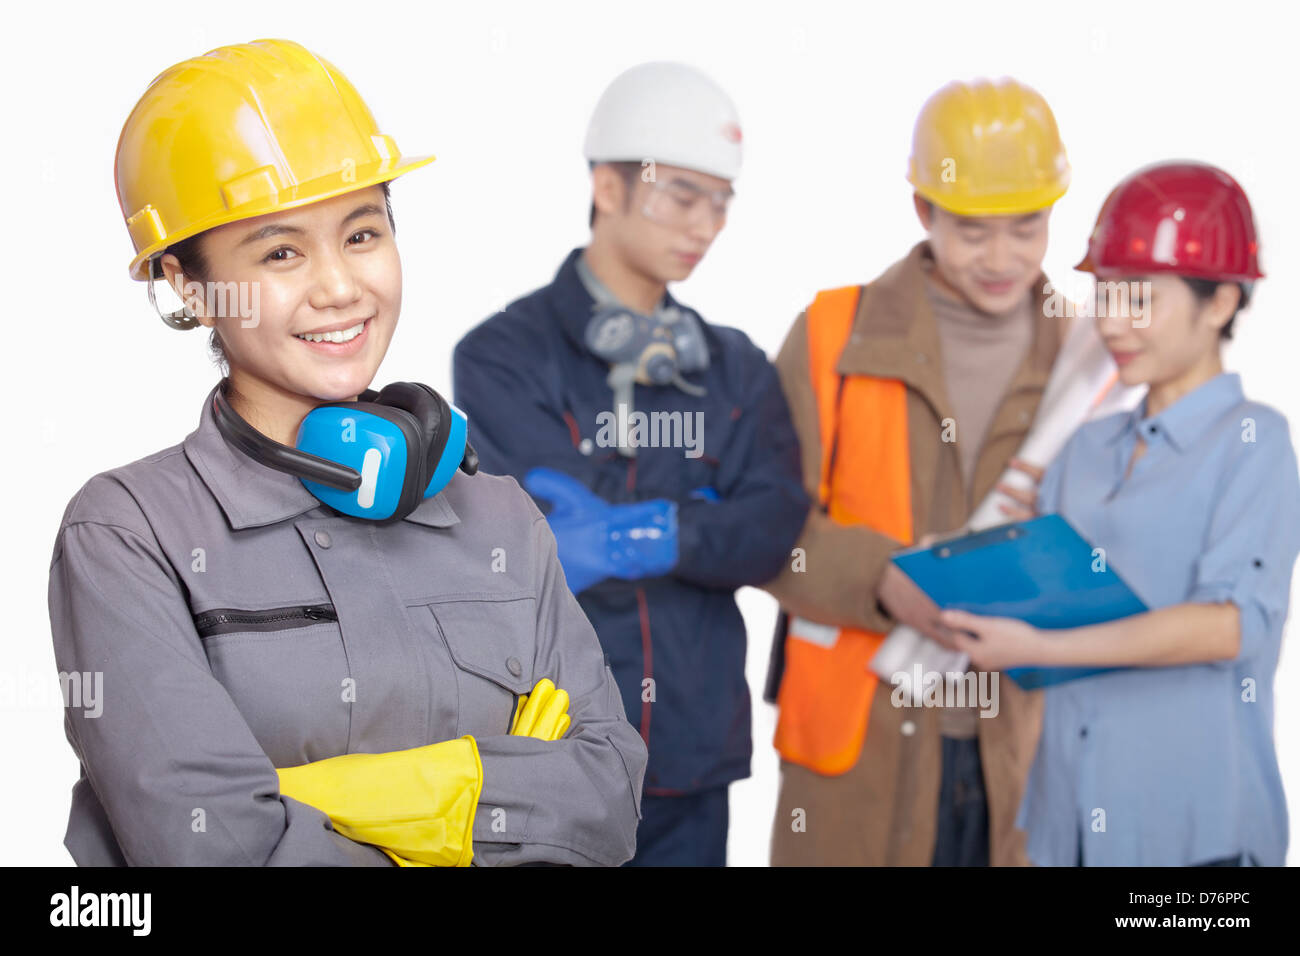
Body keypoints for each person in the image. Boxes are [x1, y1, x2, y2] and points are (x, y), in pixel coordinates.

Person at [49, 38, 645, 867]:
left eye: (362, 234)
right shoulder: (128, 535)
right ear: (188, 285)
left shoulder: (498, 515)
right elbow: (216, 847)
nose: (339, 287)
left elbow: (607, 796)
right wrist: (484, 791)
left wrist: (335, 799)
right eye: (281, 252)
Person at [453, 62, 808, 866]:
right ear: (607, 188)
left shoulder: (738, 366)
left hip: (692, 751)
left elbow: (772, 526)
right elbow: (548, 528)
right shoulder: (503, 353)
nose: (707, 223)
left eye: (721, 200)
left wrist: (636, 532)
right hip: (549, 744)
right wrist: (696, 518)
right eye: (682, 194)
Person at [942, 161, 1300, 867]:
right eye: (1104, 295)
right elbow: (1044, 605)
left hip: (1194, 841)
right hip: (1063, 827)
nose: (1110, 322)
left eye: (1139, 300)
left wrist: (1041, 651)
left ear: (1221, 303)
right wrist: (964, 563)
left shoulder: (1253, 444)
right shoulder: (1085, 449)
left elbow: (1231, 625)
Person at [762, 77, 1076, 866]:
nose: (1003, 258)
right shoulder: (834, 334)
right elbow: (757, 521)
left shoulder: (1086, 356)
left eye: (1027, 225)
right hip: (859, 748)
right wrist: (880, 578)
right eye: (973, 229)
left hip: (1022, 753)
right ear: (923, 211)